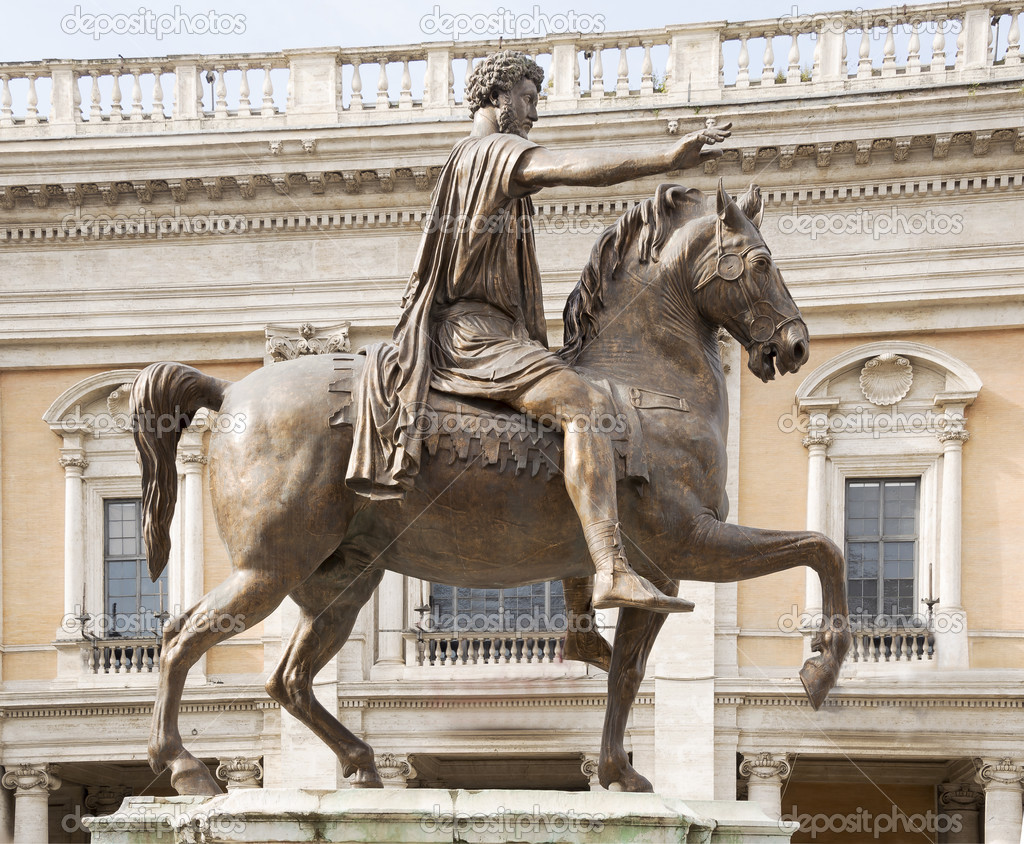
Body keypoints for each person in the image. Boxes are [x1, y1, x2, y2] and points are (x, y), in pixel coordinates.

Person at [347, 50, 730, 613]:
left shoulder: (468, 160)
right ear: (497, 98)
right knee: (587, 407)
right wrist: (667, 157)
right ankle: (611, 569)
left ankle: (577, 624)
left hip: (483, 332)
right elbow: (570, 166)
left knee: (566, 426)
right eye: (527, 99)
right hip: (476, 337)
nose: (533, 113)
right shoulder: (493, 152)